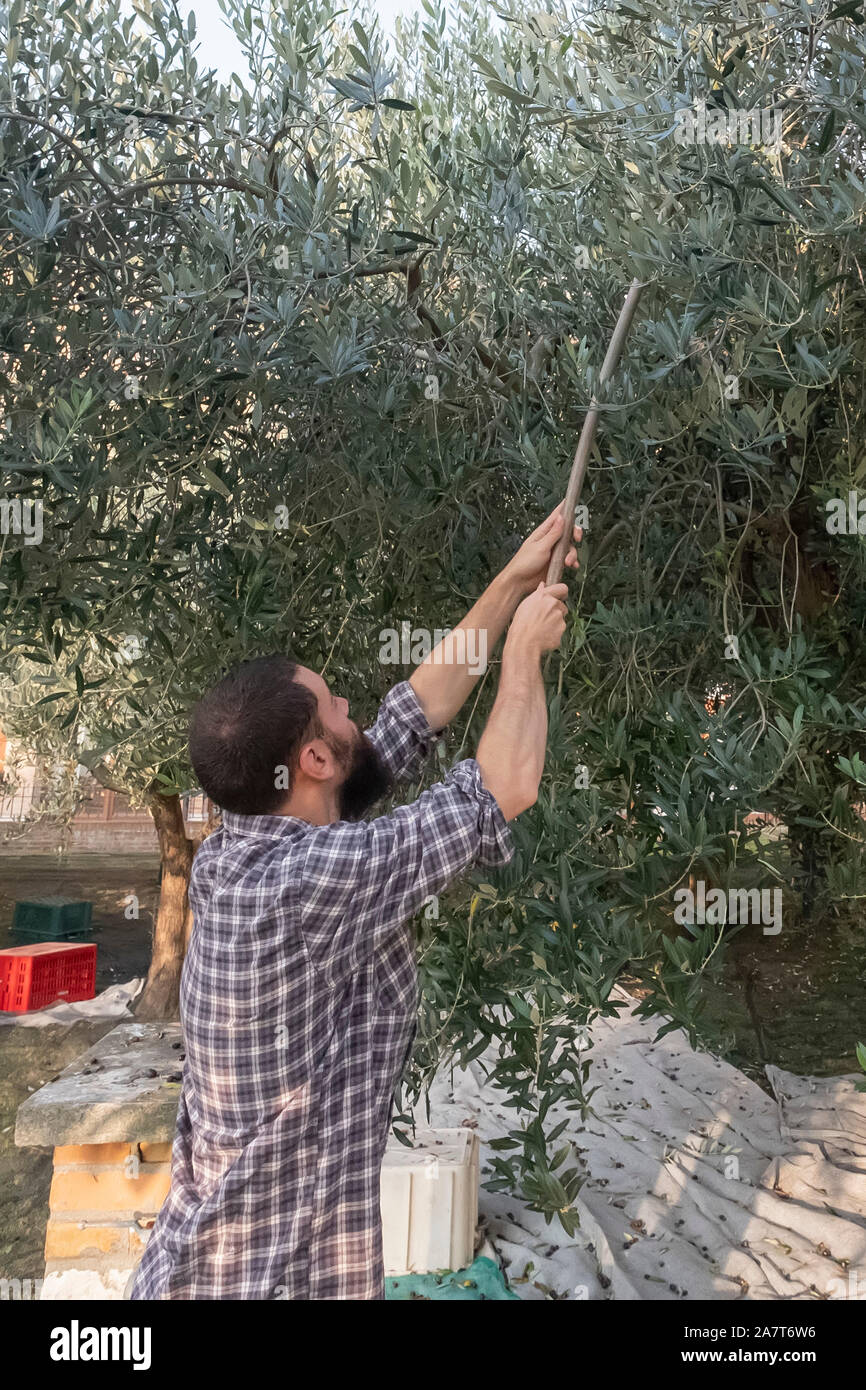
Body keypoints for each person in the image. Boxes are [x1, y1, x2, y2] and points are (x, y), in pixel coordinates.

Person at [128, 506, 581, 1300]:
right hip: (259, 1283)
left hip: (288, 1262)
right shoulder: (302, 887)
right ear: (311, 758)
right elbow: (505, 787)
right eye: (338, 709)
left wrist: (516, 575)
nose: (356, 718)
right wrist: (523, 660)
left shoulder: (251, 835)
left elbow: (416, 712)